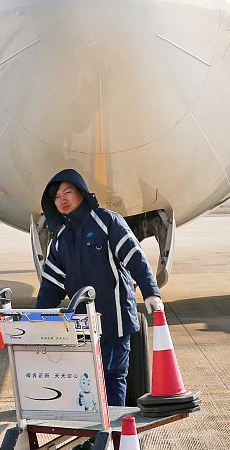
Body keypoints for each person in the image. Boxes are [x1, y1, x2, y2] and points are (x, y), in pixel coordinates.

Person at [35, 169, 163, 430]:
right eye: (57, 196)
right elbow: (51, 285)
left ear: (82, 193)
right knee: (87, 382)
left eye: (68, 192)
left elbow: (134, 256)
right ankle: (93, 436)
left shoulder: (107, 222)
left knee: (112, 378)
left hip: (115, 322)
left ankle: (113, 437)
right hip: (83, 327)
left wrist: (151, 291)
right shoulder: (60, 240)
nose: (62, 199)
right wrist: (37, 320)